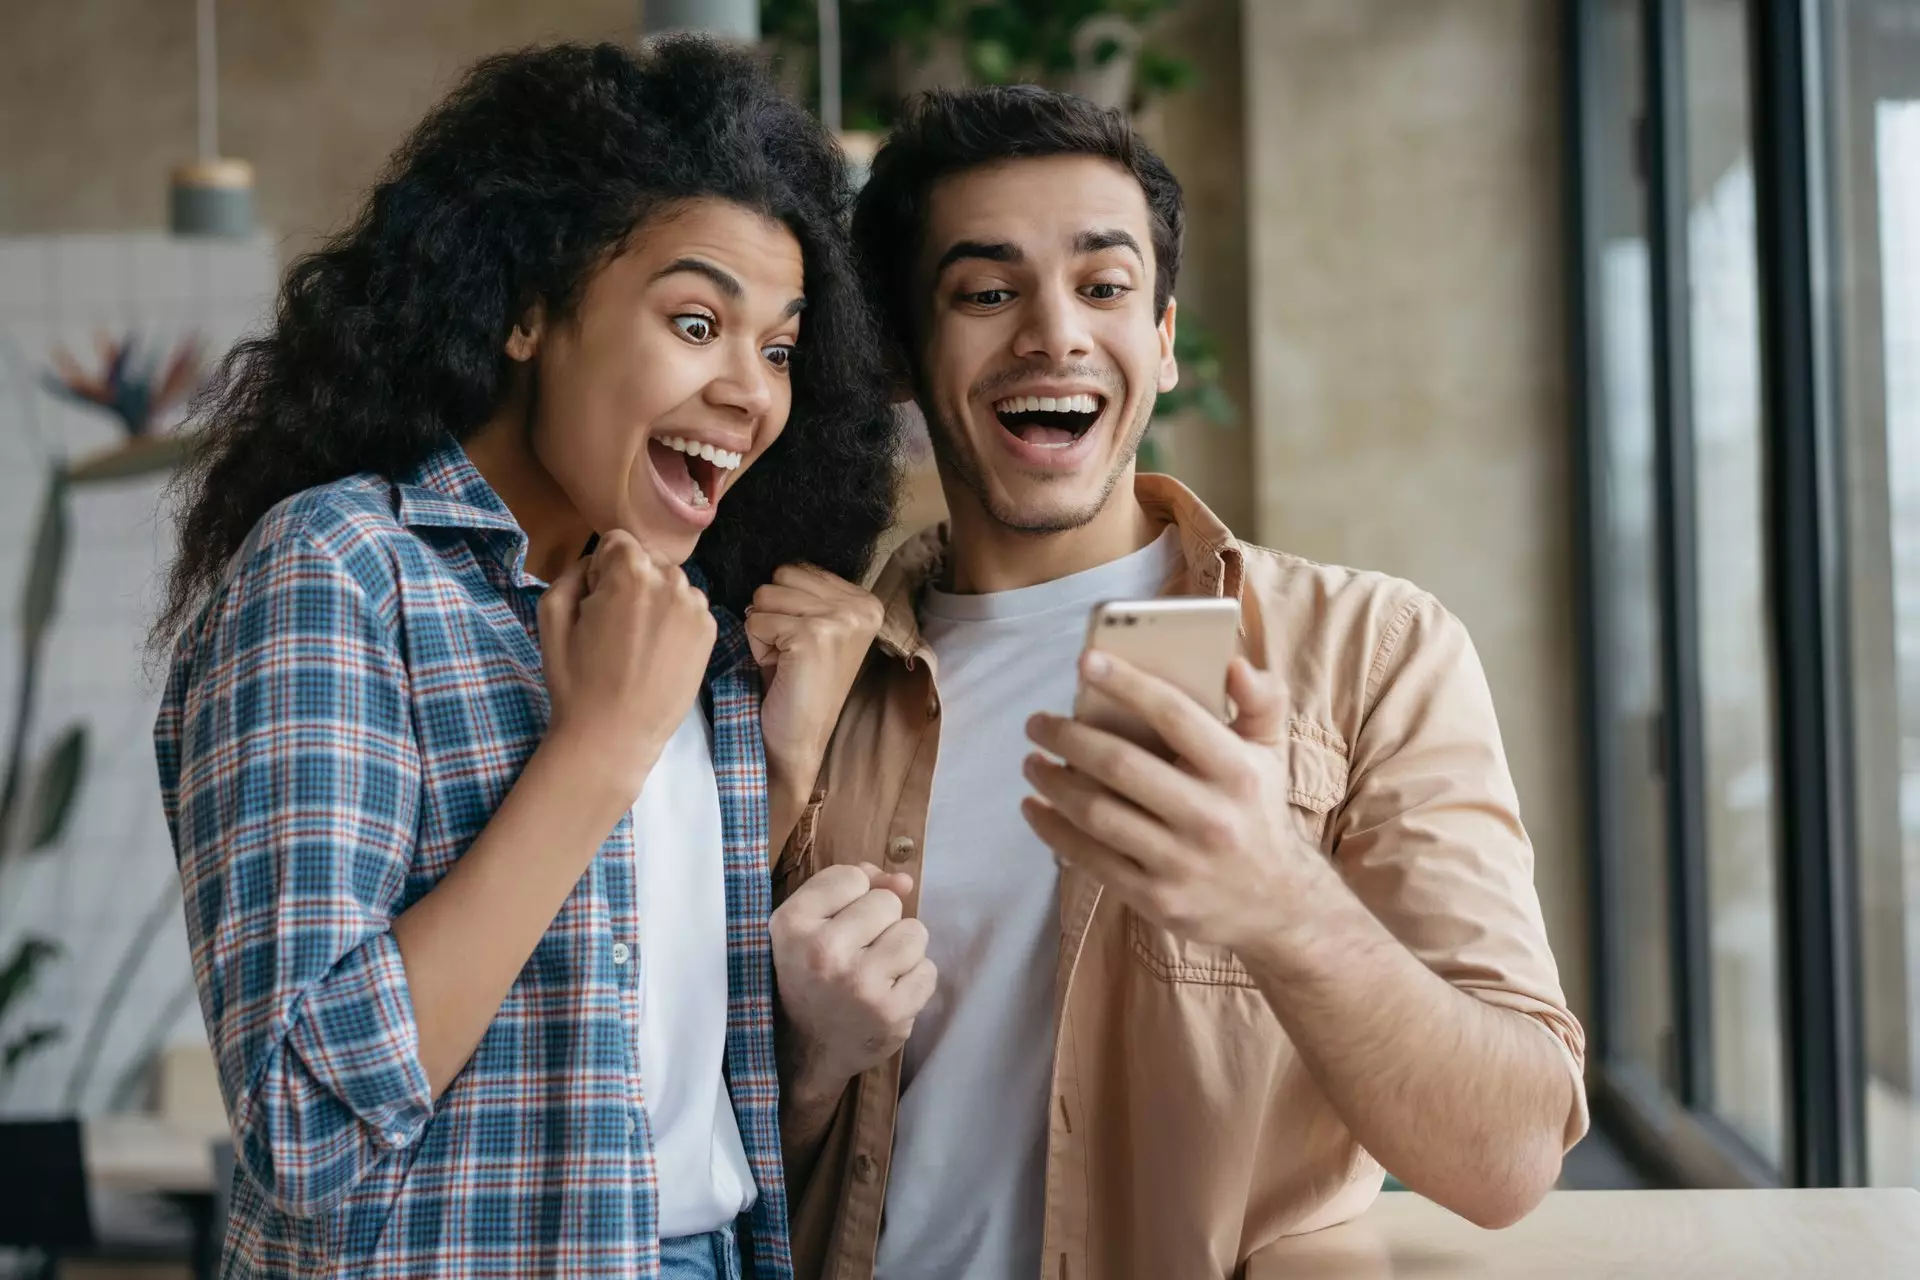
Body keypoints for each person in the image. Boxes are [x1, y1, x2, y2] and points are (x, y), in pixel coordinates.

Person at [756, 85, 1589, 1280]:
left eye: (1104, 287)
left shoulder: (1373, 651)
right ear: (897, 352)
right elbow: (649, 1161)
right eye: (988, 292)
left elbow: (1507, 1155)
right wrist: (802, 1063)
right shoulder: (803, 679)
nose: (1055, 334)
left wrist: (1277, 897)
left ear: (1161, 338)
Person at [151, 39, 895, 1280]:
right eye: (697, 321)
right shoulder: (342, 568)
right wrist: (597, 745)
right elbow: (301, 1117)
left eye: (777, 349)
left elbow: (639, 1052)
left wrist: (778, 769)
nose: (750, 392)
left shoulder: (682, 623)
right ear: (528, 310)